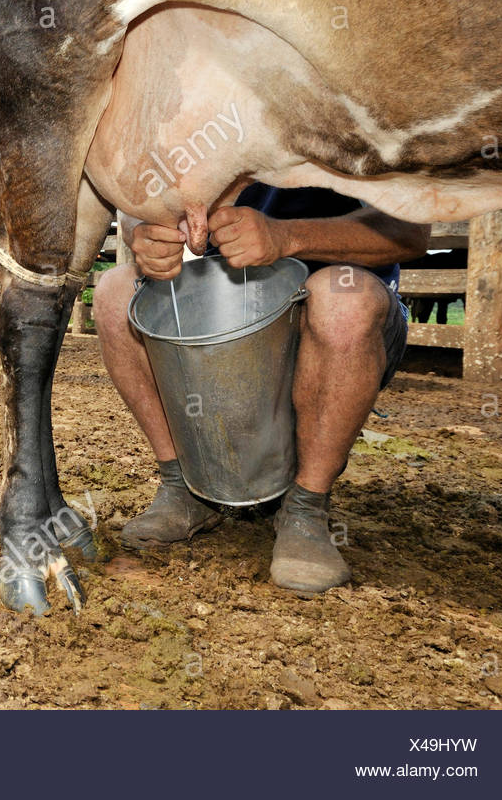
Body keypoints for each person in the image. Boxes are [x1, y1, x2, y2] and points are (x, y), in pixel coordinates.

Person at [93, 185, 429, 592]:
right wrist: (143, 234)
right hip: (235, 316)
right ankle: (184, 487)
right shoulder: (196, 143)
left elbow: (409, 231)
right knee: (115, 293)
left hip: (335, 326)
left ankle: (305, 508)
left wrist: (286, 237)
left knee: (343, 297)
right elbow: (136, 205)